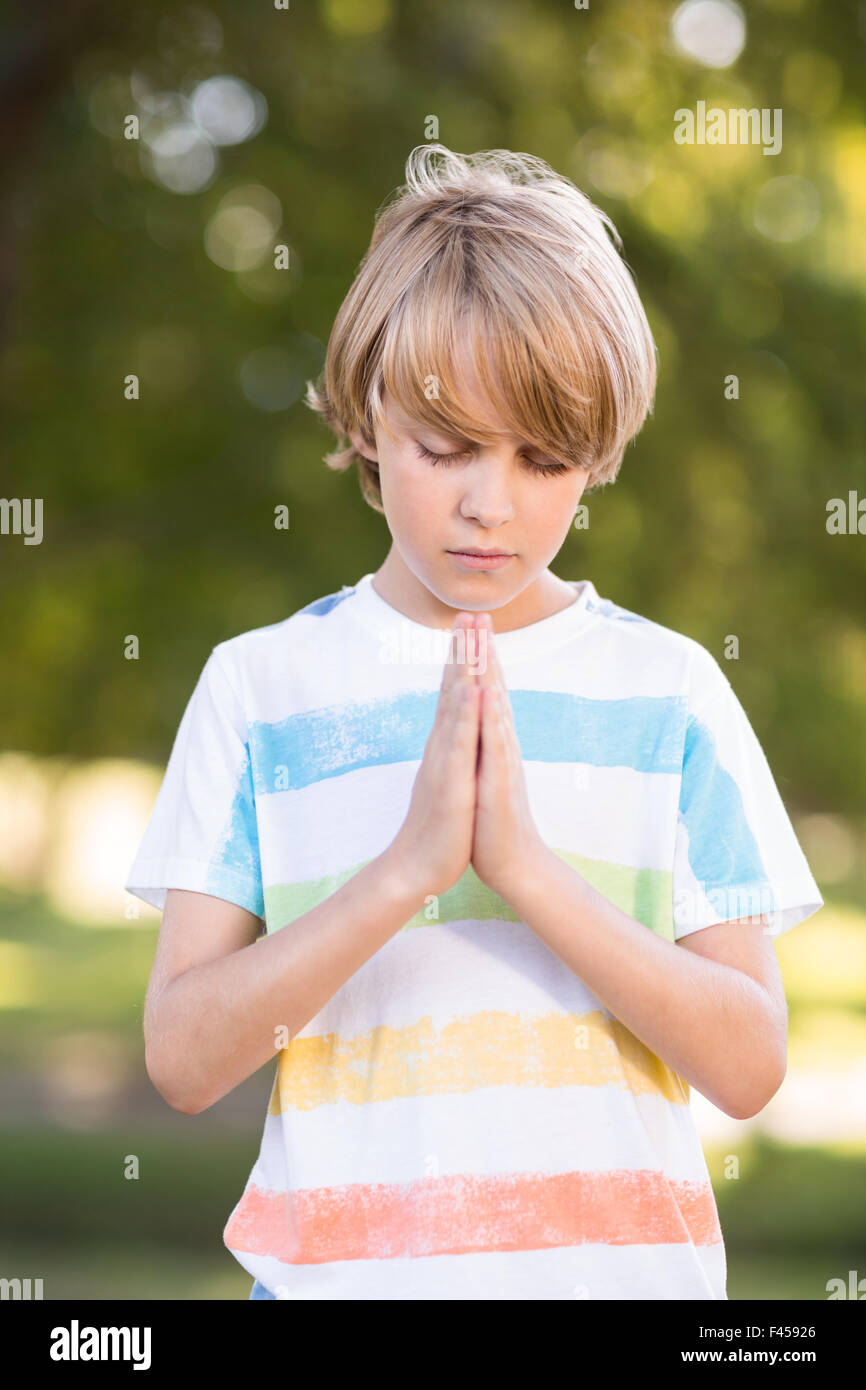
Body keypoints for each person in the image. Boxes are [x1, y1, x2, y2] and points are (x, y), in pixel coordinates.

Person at [124, 144, 823, 1301]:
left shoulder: (671, 691)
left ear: (596, 457)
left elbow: (748, 1062)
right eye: (443, 448)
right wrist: (405, 869)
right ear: (363, 419)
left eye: (543, 458)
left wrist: (527, 872)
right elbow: (184, 1059)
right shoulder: (261, 688)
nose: (488, 504)